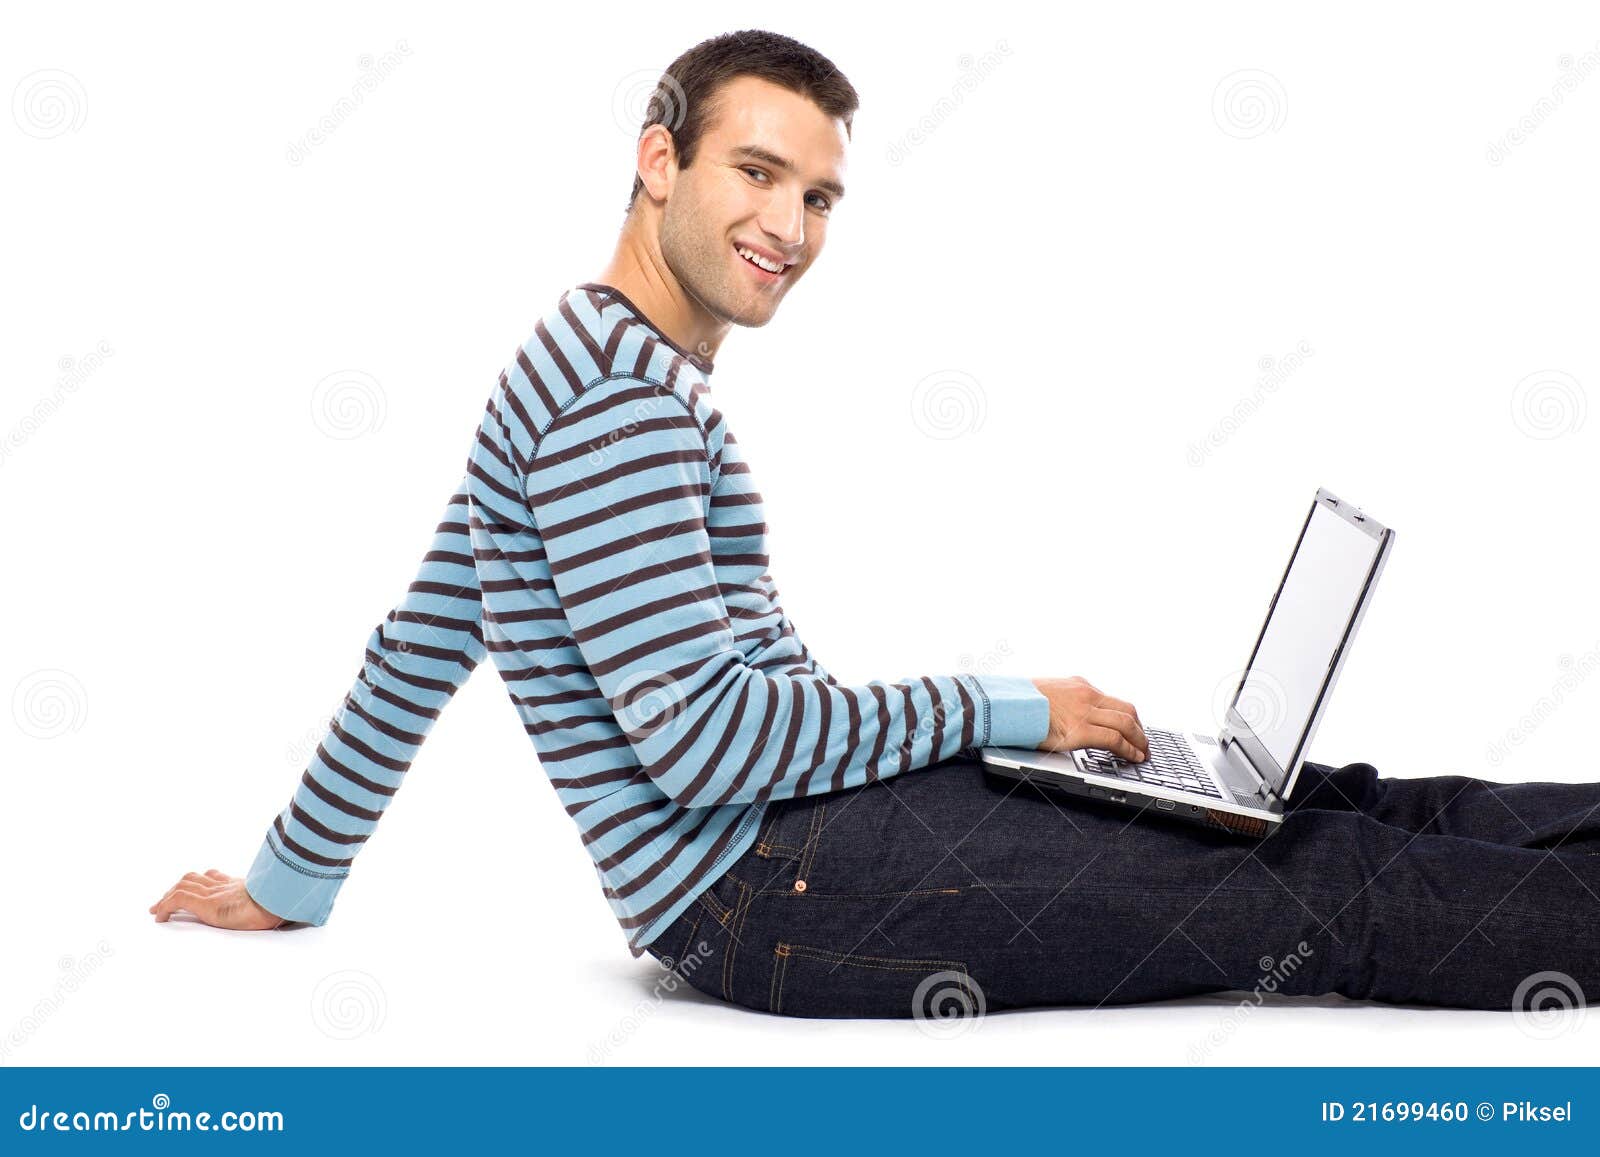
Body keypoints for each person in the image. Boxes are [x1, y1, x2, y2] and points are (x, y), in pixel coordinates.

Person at [151, 29, 1600, 1019]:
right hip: (764, 890)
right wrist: (1008, 703)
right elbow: (705, 742)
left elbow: (428, 632)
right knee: (1315, 883)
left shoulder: (578, 355)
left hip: (812, 835)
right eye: (756, 173)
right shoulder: (618, 401)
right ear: (658, 161)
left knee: (1315, 798)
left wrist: (291, 878)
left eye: (822, 193)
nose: (792, 224)